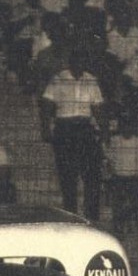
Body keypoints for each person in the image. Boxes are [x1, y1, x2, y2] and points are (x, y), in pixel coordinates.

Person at [40, 56, 105, 220]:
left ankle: (92, 217)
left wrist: (104, 129)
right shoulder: (59, 78)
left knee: (91, 175)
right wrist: (46, 127)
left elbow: (97, 106)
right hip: (64, 128)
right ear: (70, 63)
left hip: (84, 128)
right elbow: (47, 103)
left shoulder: (91, 80)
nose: (79, 65)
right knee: (68, 176)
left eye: (82, 62)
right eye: (76, 62)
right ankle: (71, 215)